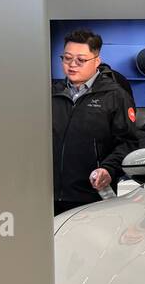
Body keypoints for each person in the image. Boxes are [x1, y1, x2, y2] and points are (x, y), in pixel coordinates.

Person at [52, 28, 139, 215]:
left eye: (81, 60)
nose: (72, 65)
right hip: (47, 198)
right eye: (67, 58)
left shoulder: (115, 96)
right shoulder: (50, 93)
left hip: (91, 197)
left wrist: (108, 169)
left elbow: (128, 143)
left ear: (96, 61)